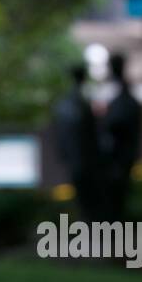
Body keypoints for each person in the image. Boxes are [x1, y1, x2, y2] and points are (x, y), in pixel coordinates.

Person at [53, 63, 103, 220]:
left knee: (86, 199)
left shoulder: (68, 103)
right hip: (84, 159)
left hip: (79, 159)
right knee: (87, 199)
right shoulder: (80, 103)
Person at [102, 53, 142, 219]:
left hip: (120, 157)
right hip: (120, 156)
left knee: (117, 201)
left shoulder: (124, 99)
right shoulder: (123, 96)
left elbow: (118, 125)